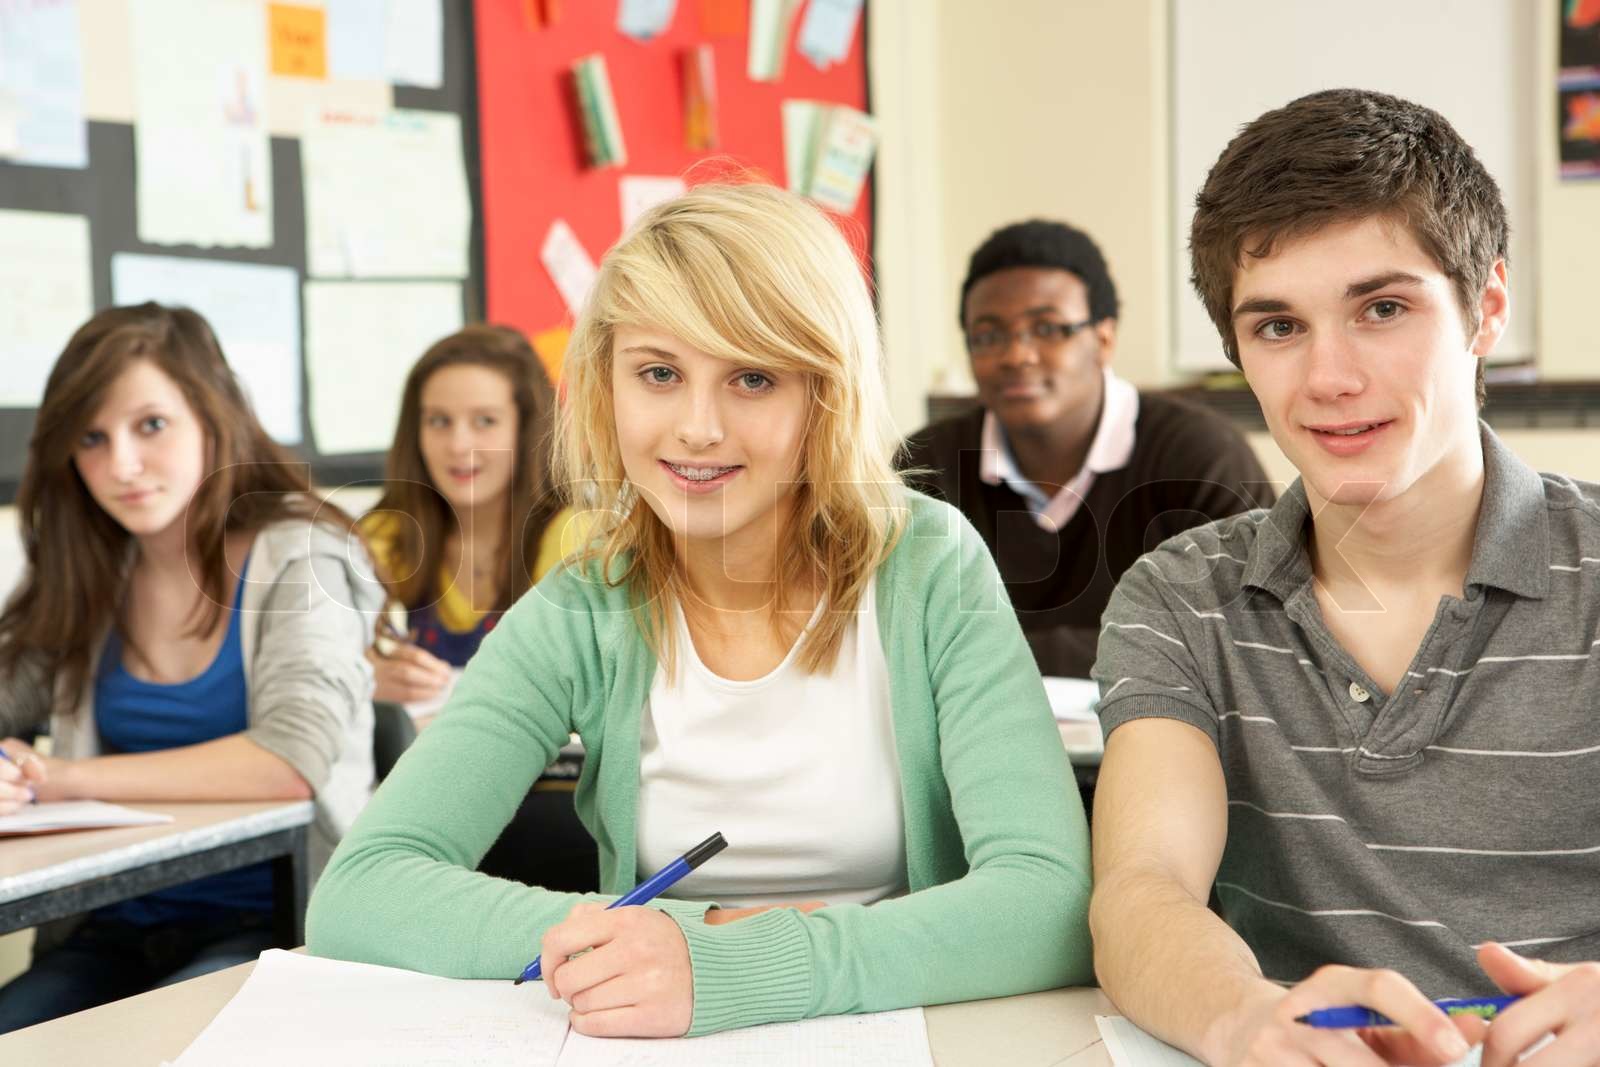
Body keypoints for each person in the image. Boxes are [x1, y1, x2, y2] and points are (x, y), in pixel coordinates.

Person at [306, 182, 1092, 1038]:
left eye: (752, 377)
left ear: (825, 394)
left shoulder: (928, 565)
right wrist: (684, 936)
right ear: (605, 384)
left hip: (895, 1032)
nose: (697, 427)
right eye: (659, 373)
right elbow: (361, 889)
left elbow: (1049, 901)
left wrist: (745, 960)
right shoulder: (582, 605)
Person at [1089, 88, 1600, 1067]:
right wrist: (1240, 1017)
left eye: (1382, 308)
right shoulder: (1179, 597)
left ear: (1487, 308)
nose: (1328, 376)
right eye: (1278, 326)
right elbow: (1141, 888)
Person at [0, 303, 380, 1032]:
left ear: (212, 415)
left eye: (151, 425)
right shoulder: (91, 568)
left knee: (165, 1045)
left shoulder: (302, 553)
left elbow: (290, 760)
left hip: (278, 925)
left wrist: (61, 777)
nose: (122, 465)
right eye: (92, 438)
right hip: (108, 927)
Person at [899, 220, 1272, 678]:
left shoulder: (1200, 455)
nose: (1016, 355)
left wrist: (992, 657)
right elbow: (899, 639)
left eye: (1047, 328)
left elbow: (1244, 635)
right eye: (989, 335)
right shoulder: (925, 466)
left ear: (1104, 339)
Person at [362, 324, 594, 891]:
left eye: (485, 421)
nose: (457, 444)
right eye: (438, 421)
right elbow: (322, 668)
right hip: (428, 790)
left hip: (549, 803)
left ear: (526, 428)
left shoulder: (577, 537)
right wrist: (367, 677)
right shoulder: (383, 536)